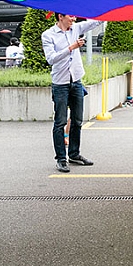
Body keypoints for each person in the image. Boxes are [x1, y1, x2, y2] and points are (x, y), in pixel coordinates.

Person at [41, 13, 101, 172]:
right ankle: (61, 158)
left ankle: (74, 154)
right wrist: (71, 48)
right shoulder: (48, 35)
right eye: (71, 16)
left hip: (76, 80)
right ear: (61, 16)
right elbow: (51, 59)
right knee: (60, 122)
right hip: (60, 83)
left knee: (77, 120)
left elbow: (95, 22)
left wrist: (111, 9)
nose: (74, 19)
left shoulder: (76, 28)